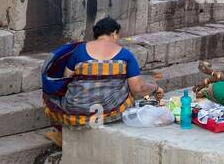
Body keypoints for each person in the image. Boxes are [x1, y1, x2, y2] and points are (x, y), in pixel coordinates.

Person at [42, 16, 162, 145]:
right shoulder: (125, 54)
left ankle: (61, 134)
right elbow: (138, 88)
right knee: (129, 85)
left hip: (76, 110)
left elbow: (66, 78)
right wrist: (155, 87)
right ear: (114, 33)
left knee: (48, 96)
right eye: (118, 35)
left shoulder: (79, 51)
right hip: (110, 111)